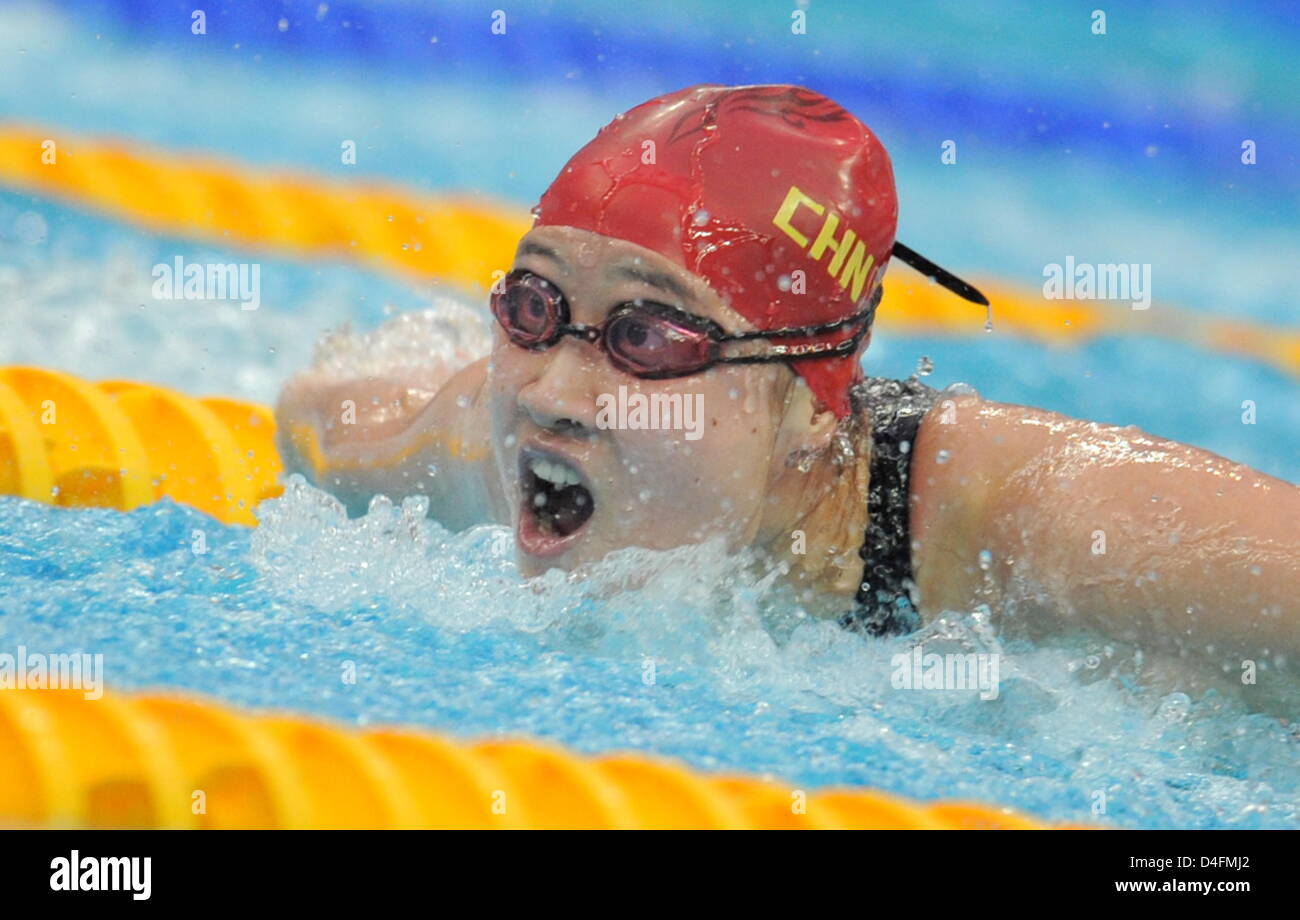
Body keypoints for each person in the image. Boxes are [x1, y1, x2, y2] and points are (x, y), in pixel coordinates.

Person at [275, 84, 1299, 665]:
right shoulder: (486, 442)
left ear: (815, 407)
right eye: (534, 307)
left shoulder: (1050, 524)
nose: (549, 395)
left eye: (646, 339)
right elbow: (312, 415)